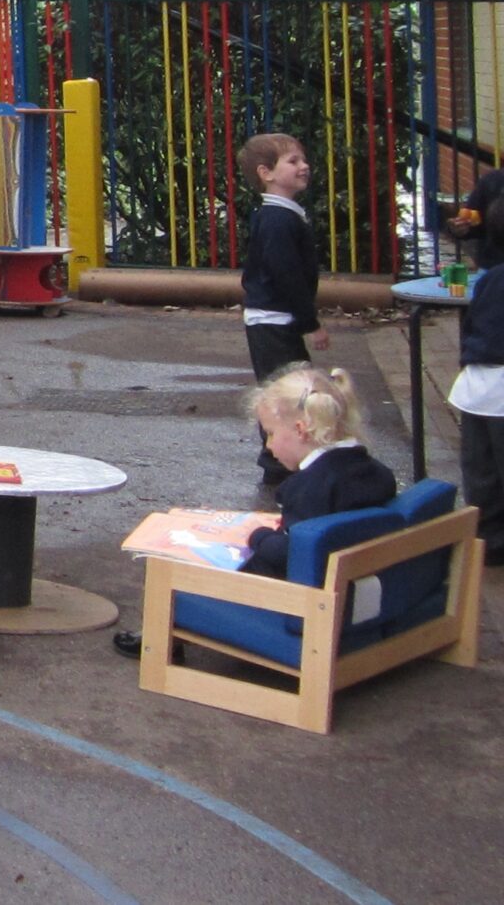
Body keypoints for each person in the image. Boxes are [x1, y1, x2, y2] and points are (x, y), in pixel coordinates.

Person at [113, 364, 396, 657]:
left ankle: (161, 639)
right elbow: (320, 527)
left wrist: (257, 536)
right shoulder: (377, 474)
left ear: (301, 430)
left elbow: (287, 554)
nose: (270, 447)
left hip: (308, 603)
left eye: (271, 434)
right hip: (362, 596)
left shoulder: (307, 488)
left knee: (183, 557)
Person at [238, 132, 324, 488]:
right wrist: (310, 323)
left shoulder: (283, 215)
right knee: (284, 393)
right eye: (293, 161)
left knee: (287, 389)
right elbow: (287, 275)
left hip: (274, 318)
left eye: (303, 159)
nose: (304, 166)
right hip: (275, 320)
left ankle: (286, 459)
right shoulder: (278, 220)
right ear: (266, 173)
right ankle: (278, 464)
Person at [450, 257, 504, 567]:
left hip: (476, 384)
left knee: (481, 471)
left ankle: (488, 541)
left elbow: (470, 325)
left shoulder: (490, 278)